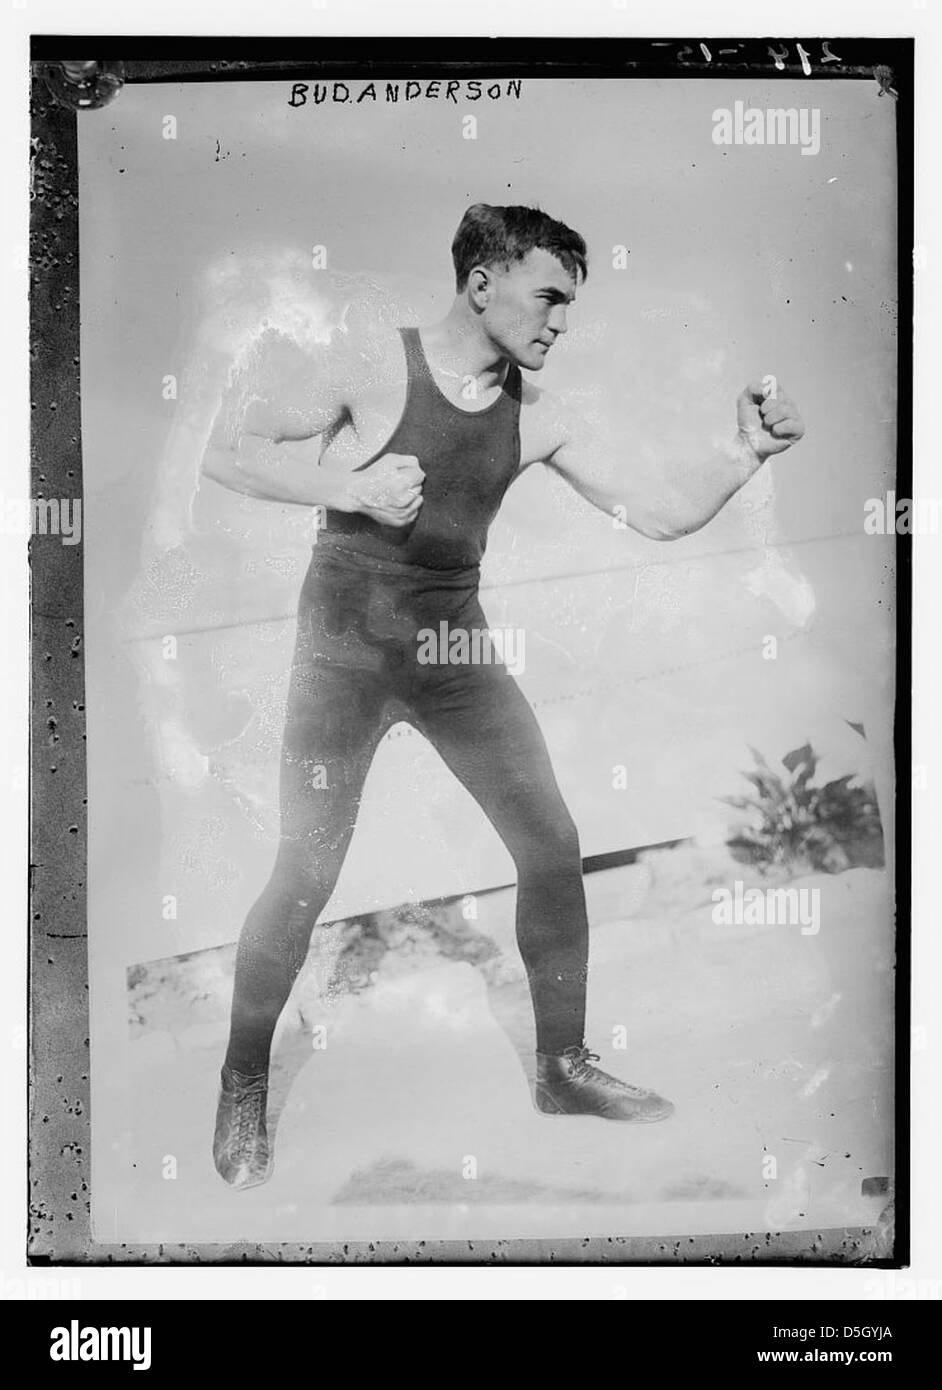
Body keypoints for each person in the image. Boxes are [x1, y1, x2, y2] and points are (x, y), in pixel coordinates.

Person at [201, 203, 805, 1189]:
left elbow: (654, 512)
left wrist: (745, 454)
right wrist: (348, 486)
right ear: (482, 282)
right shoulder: (368, 366)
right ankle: (241, 1074)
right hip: (341, 659)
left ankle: (562, 1066)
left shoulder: (543, 413)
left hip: (453, 654)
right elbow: (229, 450)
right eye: (550, 295)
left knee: (550, 841)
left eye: (572, 303)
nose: (562, 320)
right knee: (306, 869)